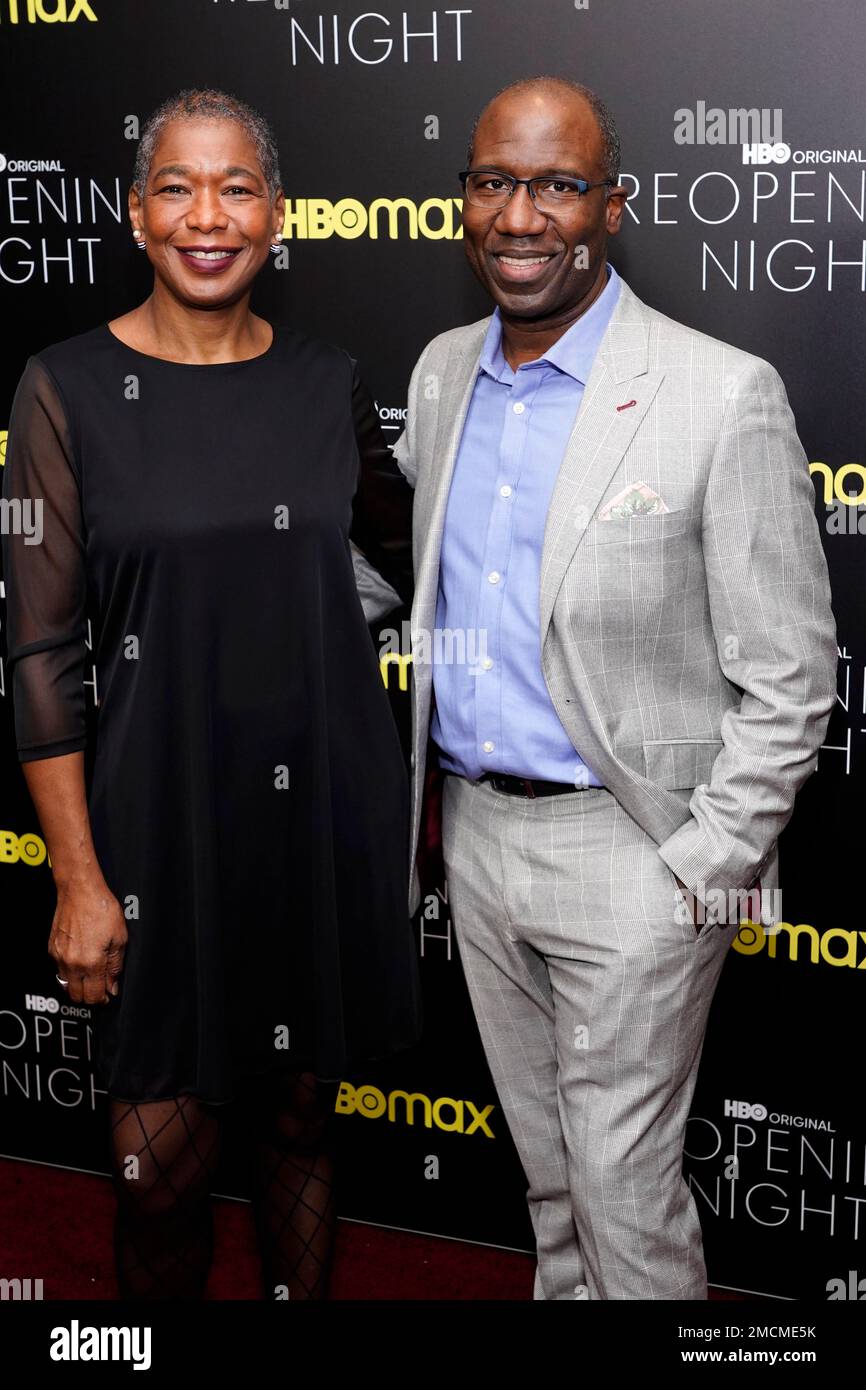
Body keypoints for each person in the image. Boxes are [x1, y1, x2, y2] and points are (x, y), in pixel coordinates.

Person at [387, 76, 837, 1299]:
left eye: (554, 185)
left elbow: (790, 675)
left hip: (633, 853)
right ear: (463, 199)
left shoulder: (715, 392)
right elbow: (420, 578)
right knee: (549, 1181)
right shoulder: (438, 374)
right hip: (475, 843)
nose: (518, 215)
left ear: (611, 206)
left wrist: (700, 866)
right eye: (491, 182)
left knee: (623, 1196)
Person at [0, 87, 421, 1302]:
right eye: (177, 187)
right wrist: (76, 876)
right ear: (137, 215)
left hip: (309, 830)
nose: (207, 214)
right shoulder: (62, 387)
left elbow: (416, 568)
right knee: (160, 1173)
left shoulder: (327, 381)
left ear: (276, 215)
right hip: (154, 832)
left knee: (298, 1129)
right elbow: (39, 649)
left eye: (236, 187)